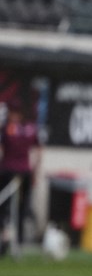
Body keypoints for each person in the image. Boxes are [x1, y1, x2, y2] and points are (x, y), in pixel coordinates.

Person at [0, 101, 41, 257]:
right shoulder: (31, 129)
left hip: (8, 171)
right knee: (20, 208)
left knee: (5, 206)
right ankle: (16, 241)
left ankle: (8, 238)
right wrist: (35, 171)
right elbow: (38, 151)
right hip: (24, 172)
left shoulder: (7, 129)